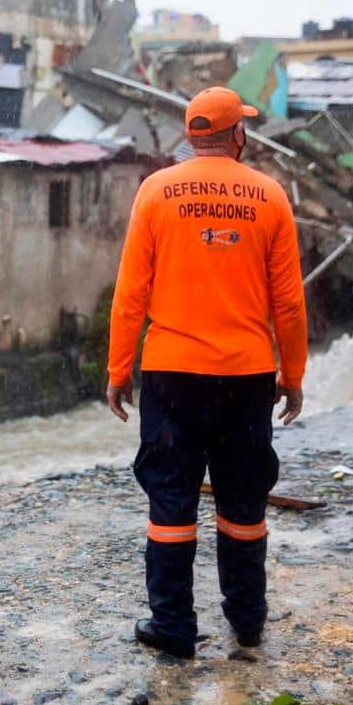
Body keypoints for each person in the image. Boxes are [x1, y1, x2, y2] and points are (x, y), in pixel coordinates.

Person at [106, 86, 307, 660]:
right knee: (243, 499)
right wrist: (293, 374)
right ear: (236, 135)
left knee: (171, 496)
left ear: (193, 135)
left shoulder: (155, 192)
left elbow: (130, 295)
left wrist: (119, 369)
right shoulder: (268, 196)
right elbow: (288, 303)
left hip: (171, 373)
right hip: (246, 375)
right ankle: (246, 620)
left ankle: (173, 627)